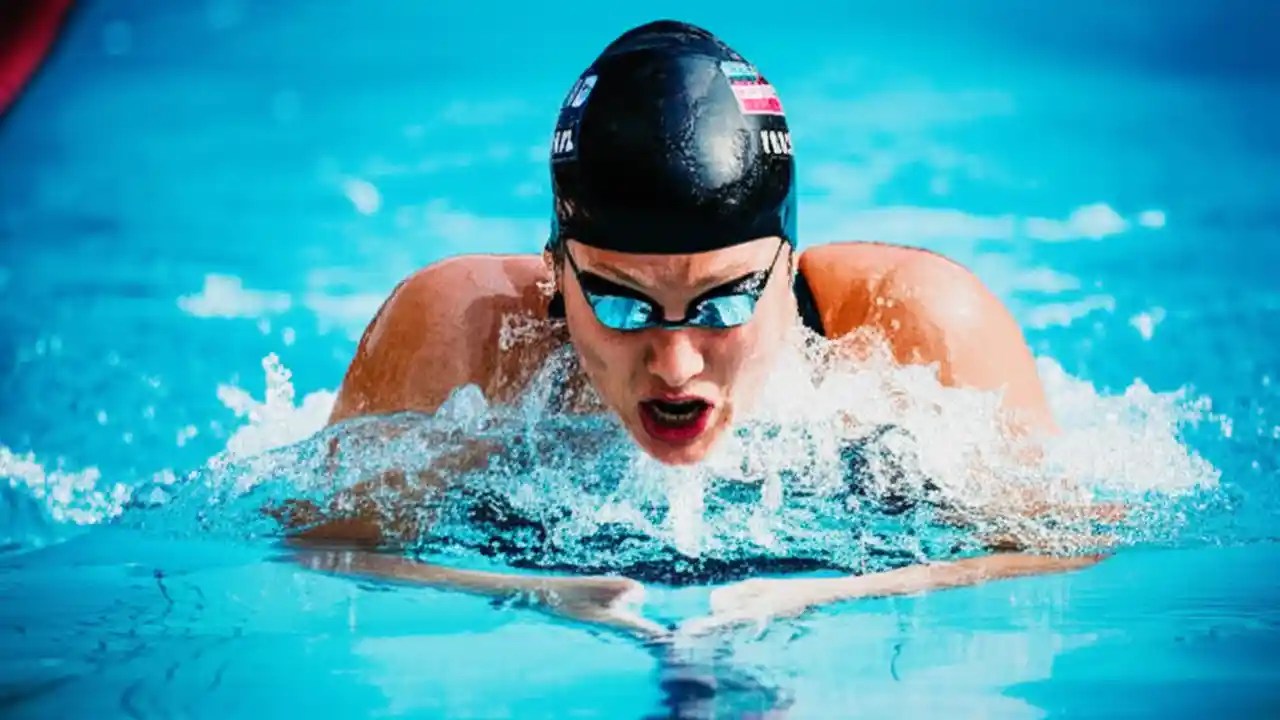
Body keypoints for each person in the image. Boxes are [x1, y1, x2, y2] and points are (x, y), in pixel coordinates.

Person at [285, 19, 1104, 638]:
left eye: (723, 301)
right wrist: (533, 592)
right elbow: (323, 550)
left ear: (787, 266)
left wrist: (828, 593)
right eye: (619, 303)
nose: (675, 364)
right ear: (556, 268)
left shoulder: (915, 327)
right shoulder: (460, 338)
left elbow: (1070, 545)